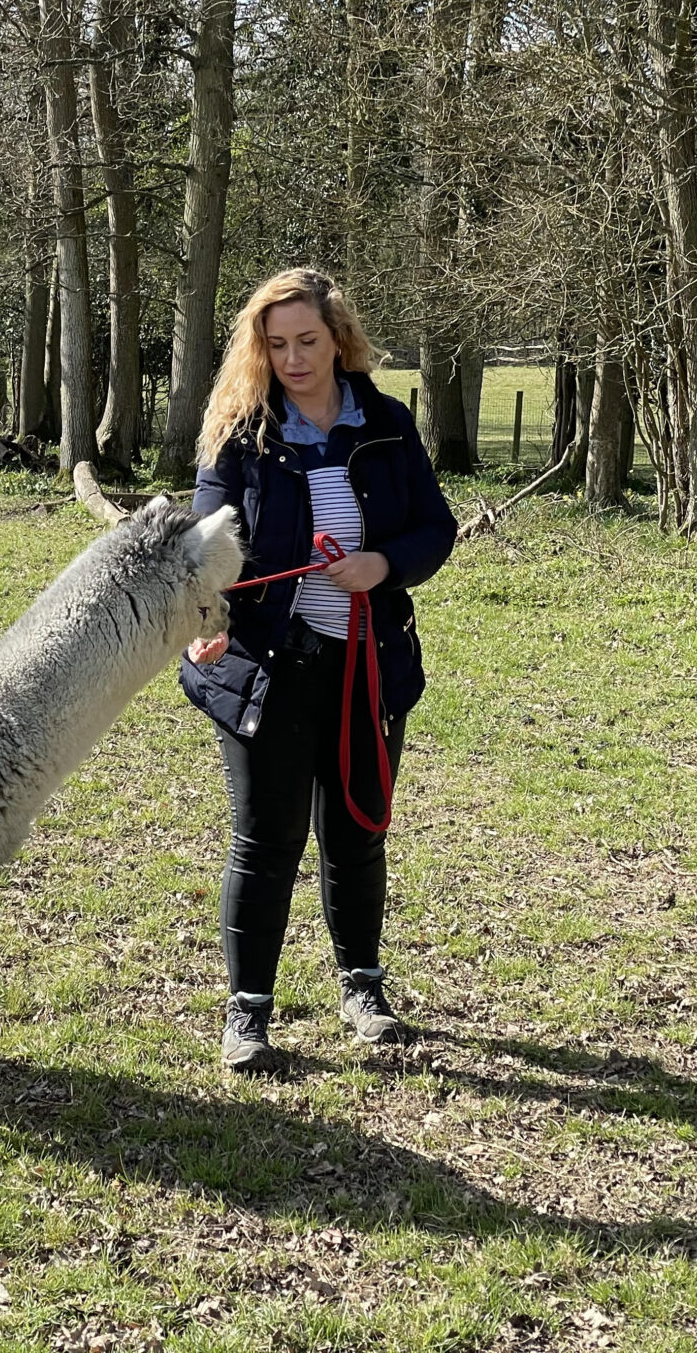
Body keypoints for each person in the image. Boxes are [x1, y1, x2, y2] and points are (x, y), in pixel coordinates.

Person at [179, 268, 456, 1072]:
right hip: (267, 671)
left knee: (357, 835)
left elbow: (433, 531)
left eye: (307, 340)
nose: (294, 358)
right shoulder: (241, 434)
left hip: (367, 673)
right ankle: (248, 1016)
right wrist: (209, 623)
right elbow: (206, 549)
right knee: (265, 844)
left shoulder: (389, 424)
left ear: (339, 338)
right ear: (258, 351)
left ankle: (362, 989)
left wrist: (382, 563)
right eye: (277, 344)